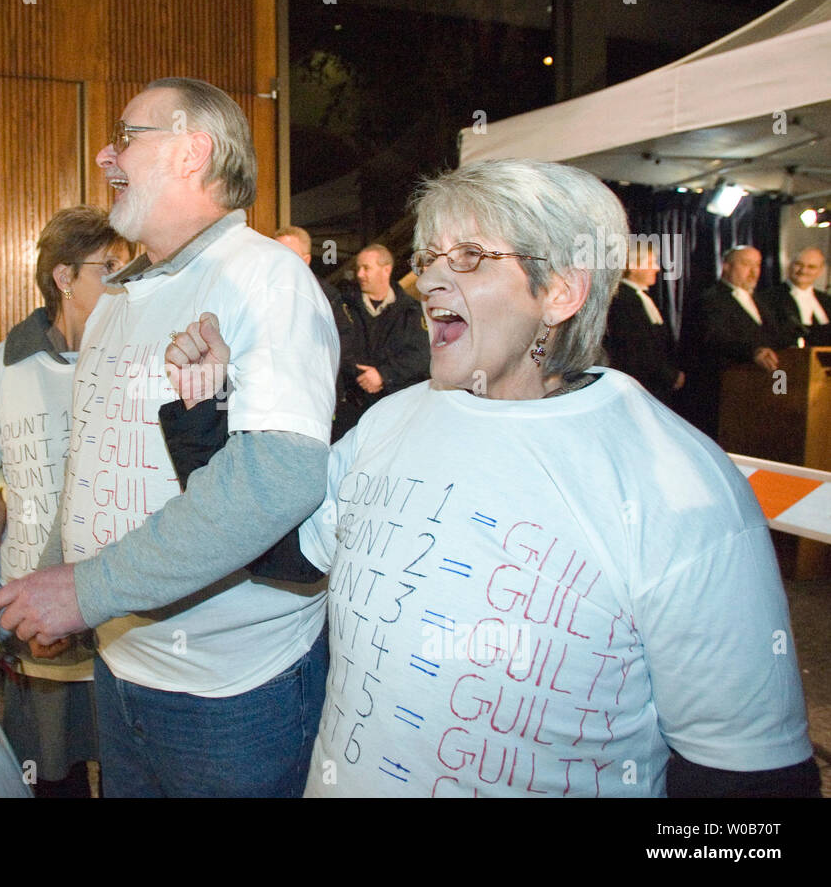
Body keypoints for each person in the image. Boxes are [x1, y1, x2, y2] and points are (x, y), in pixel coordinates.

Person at [161, 158, 818, 798]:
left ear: (560, 290)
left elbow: (749, 783)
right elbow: (282, 548)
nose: (428, 284)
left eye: (469, 257)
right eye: (428, 259)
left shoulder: (678, 485)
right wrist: (206, 407)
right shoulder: (390, 422)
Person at [0, 76, 339, 798]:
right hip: (122, 666)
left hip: (233, 691)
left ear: (192, 151)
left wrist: (84, 590)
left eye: (126, 135)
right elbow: (88, 461)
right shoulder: (119, 299)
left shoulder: (265, 280)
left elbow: (275, 480)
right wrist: (58, 580)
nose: (104, 153)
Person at [0, 205, 129, 798]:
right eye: (109, 267)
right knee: (49, 774)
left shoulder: (138, 362)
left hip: (131, 616)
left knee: (130, 773)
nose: (125, 280)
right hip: (38, 622)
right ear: (63, 278)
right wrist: (1, 502)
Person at [677, 245, 780, 438]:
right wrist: (753, 352)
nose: (753, 272)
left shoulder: (763, 302)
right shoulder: (709, 300)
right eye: (746, 264)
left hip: (757, 391)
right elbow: (714, 339)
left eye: (757, 265)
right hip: (721, 393)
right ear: (726, 266)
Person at [276, 226, 367, 441]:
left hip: (314, 405)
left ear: (306, 259)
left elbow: (344, 342)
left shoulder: (326, 298)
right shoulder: (260, 293)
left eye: (289, 255)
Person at [335, 243, 429, 437]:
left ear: (386, 270)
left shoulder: (411, 312)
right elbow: (337, 347)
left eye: (366, 268)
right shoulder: (344, 308)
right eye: (358, 268)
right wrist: (360, 374)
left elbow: (421, 355)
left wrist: (383, 375)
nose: (360, 274)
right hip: (352, 411)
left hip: (398, 412)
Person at [603, 243, 684, 404]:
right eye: (650, 262)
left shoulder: (637, 297)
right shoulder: (625, 300)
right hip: (639, 386)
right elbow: (640, 348)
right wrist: (668, 375)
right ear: (632, 267)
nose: (656, 268)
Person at [761, 246, 831, 349]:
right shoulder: (769, 297)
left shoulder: (826, 300)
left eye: (811, 267)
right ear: (789, 266)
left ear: (820, 271)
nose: (803, 270)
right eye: (798, 264)